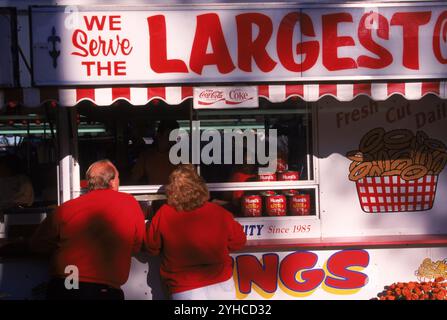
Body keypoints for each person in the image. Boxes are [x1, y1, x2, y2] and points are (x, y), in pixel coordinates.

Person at [29, 159, 146, 300]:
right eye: (119, 178)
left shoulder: (67, 208)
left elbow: (36, 243)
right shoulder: (130, 203)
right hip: (103, 291)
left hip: (66, 286)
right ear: (113, 181)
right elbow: (136, 244)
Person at [146, 164, 247, 300]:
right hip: (221, 284)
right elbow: (238, 242)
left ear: (171, 190)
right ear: (200, 188)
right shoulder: (218, 212)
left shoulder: (164, 214)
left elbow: (152, 246)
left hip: (184, 289)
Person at [130, 120, 180, 185]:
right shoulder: (146, 156)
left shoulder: (181, 156)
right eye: (169, 136)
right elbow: (133, 180)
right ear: (159, 135)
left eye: (175, 137)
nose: (172, 140)